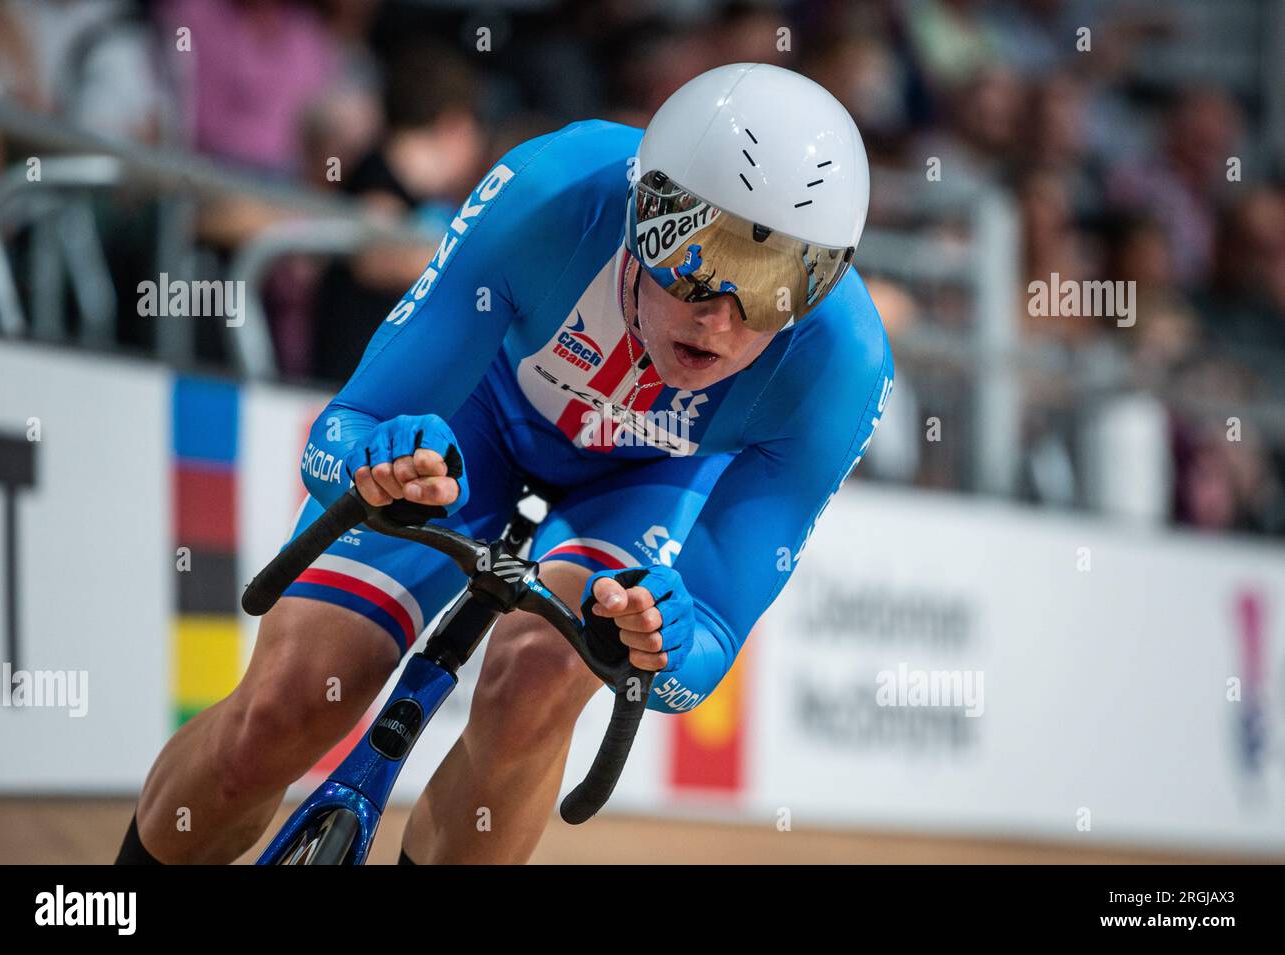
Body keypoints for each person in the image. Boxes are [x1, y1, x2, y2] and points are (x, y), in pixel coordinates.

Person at [116, 63, 894, 865]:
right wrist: (375, 464)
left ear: (824, 281)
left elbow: (706, 646)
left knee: (537, 684)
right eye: (697, 254)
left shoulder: (843, 363)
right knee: (286, 708)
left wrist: (667, 637)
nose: (721, 316)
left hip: (639, 488)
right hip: (474, 425)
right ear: (643, 211)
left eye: (773, 287)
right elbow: (347, 429)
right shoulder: (552, 191)